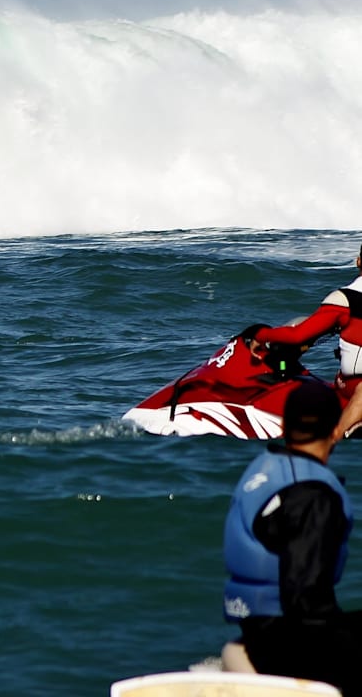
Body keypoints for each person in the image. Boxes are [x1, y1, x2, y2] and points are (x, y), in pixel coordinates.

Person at [222, 378, 362, 694]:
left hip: (255, 628)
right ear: (334, 428)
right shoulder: (312, 495)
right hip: (285, 643)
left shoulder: (265, 469)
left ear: (284, 425)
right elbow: (305, 598)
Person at [251, 244, 362, 437]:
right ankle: (338, 437)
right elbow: (298, 335)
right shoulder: (345, 300)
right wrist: (260, 335)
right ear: (358, 261)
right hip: (352, 385)